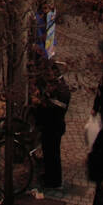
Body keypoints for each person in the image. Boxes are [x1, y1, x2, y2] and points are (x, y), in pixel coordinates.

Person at [31, 59, 71, 196]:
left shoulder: (61, 91)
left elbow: (56, 108)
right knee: (49, 153)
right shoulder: (57, 88)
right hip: (50, 125)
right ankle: (49, 176)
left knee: (53, 154)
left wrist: (42, 102)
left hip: (54, 126)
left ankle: (53, 180)